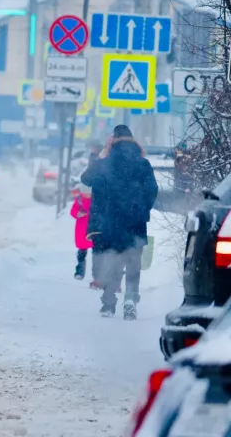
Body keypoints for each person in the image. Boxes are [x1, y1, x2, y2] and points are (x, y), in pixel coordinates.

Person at [80, 125, 158, 320]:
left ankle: (108, 303)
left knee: (112, 259)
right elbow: (152, 190)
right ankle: (130, 300)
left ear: (112, 141)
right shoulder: (143, 164)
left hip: (110, 221)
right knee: (133, 261)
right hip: (135, 222)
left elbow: (85, 178)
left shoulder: (104, 163)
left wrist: (100, 156)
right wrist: (142, 209)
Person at [70, 183, 93, 280]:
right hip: (81, 229)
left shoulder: (97, 200)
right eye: (84, 193)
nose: (86, 195)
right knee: (82, 251)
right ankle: (80, 271)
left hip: (94, 228)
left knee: (98, 252)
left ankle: (98, 274)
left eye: (88, 193)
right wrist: (78, 214)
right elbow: (73, 211)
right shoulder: (79, 199)